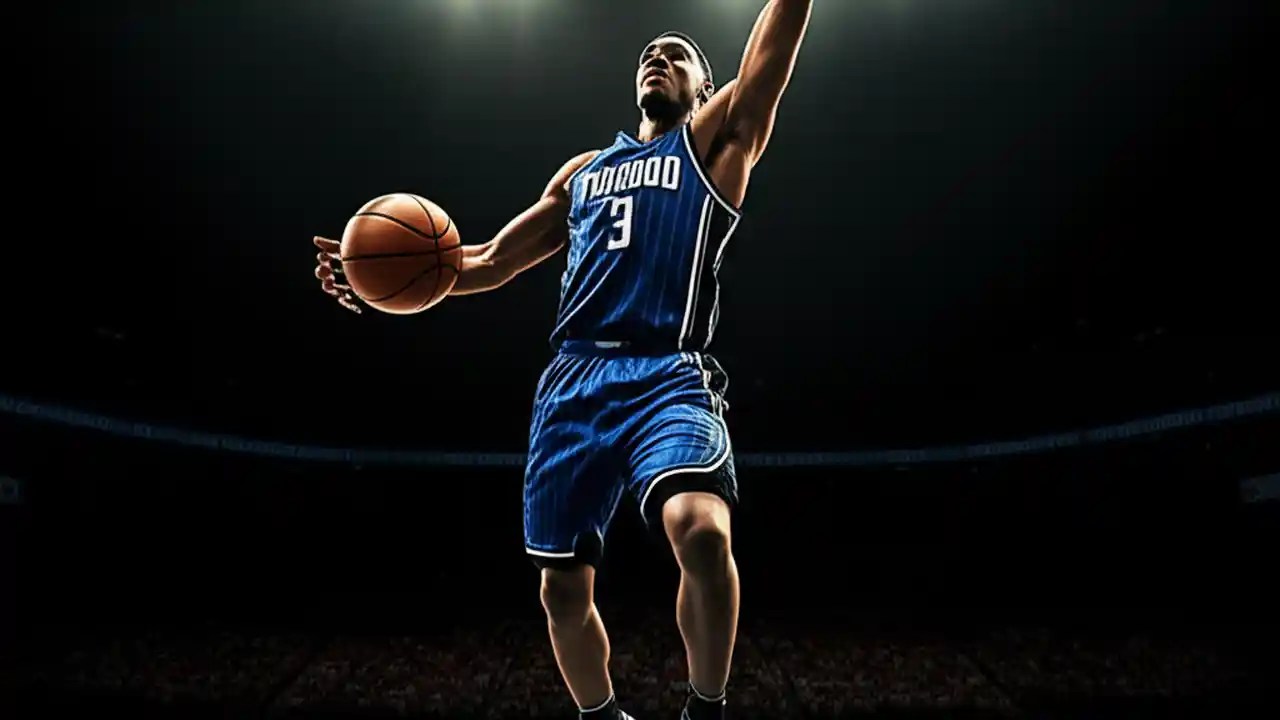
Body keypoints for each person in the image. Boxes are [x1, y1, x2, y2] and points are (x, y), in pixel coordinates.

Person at [314, 3, 811, 717]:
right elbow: (481, 260)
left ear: (706, 88)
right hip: (573, 382)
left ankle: (706, 707)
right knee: (560, 591)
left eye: (677, 53)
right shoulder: (583, 172)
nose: (657, 58)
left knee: (701, 533)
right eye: (649, 52)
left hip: (666, 372)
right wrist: (367, 272)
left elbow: (773, 48)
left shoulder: (714, 145)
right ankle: (603, 716)